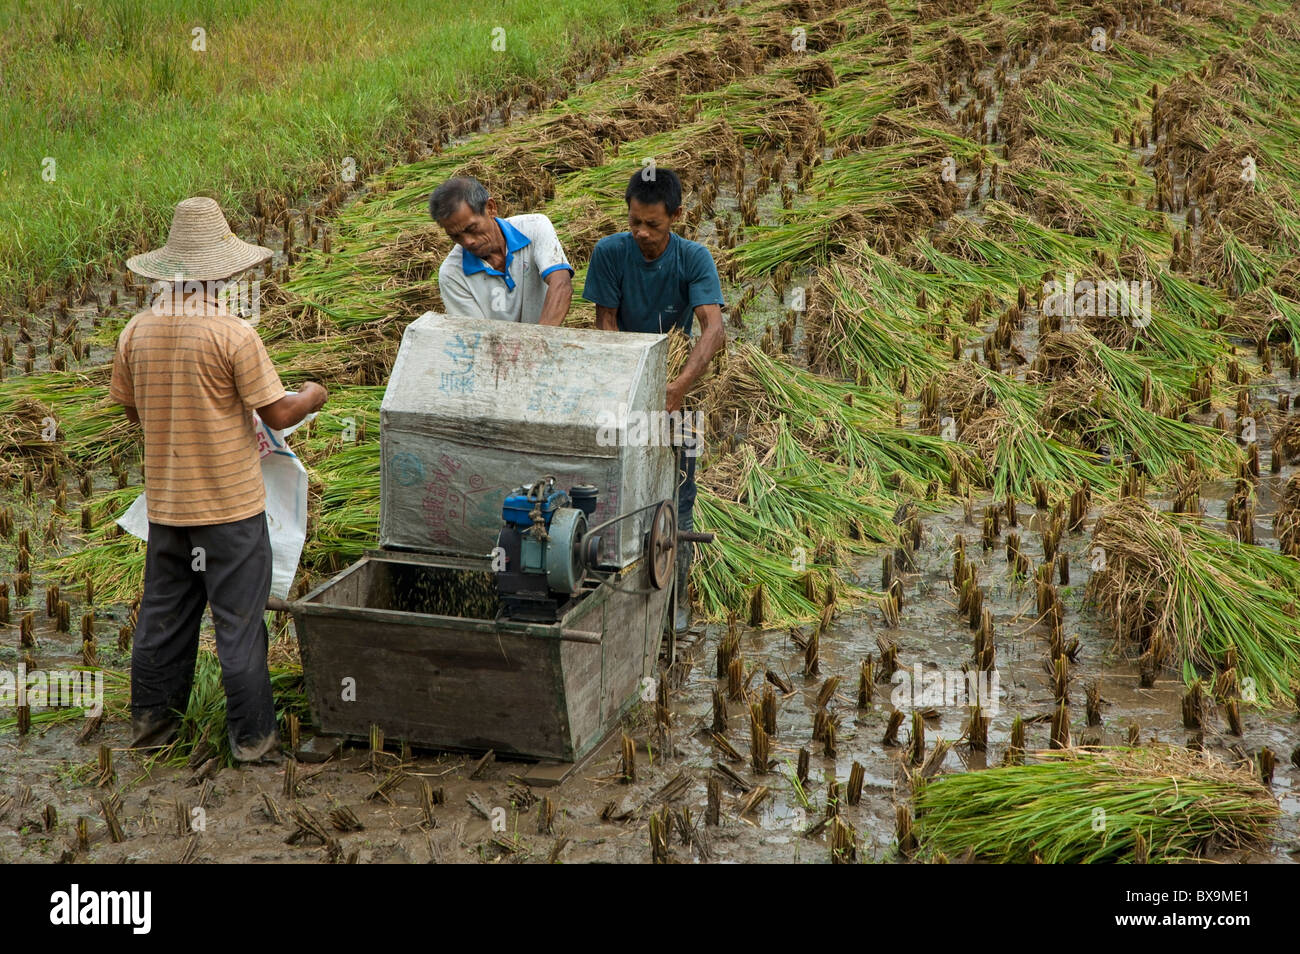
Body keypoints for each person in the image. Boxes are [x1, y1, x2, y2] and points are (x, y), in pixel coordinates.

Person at [110, 196, 328, 763]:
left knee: (162, 620)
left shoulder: (136, 330)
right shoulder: (232, 334)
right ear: (224, 271)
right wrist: (313, 395)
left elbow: (134, 414)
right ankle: (254, 742)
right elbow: (278, 414)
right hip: (230, 512)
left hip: (167, 511)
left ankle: (152, 730)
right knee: (238, 625)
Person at [582, 168, 726, 634]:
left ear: (676, 217)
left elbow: (713, 328)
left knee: (679, 498)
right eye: (634, 223)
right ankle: (613, 591)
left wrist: (676, 389)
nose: (642, 233)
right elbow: (606, 324)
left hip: (675, 390)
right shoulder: (609, 253)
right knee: (616, 491)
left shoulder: (693, 258)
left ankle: (673, 599)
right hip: (622, 391)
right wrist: (632, 390)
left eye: (653, 225)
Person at [430, 176, 574, 325]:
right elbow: (476, 336)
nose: (468, 241)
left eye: (471, 228)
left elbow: (561, 284)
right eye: (455, 236)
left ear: (490, 208)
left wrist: (538, 341)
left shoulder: (534, 227)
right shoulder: (452, 274)